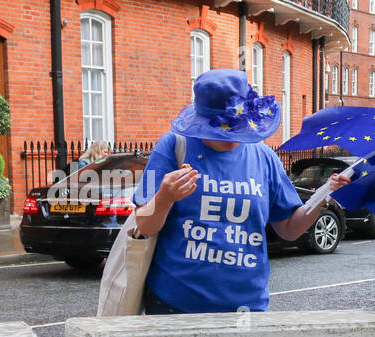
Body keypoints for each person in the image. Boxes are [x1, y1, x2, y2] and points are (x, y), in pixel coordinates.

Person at [130, 69, 349, 315]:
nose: (233, 137)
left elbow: (288, 229)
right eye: (222, 131)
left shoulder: (264, 157)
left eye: (239, 127)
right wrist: (164, 198)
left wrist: (320, 197)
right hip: (174, 307)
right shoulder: (172, 146)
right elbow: (144, 226)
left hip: (247, 310)